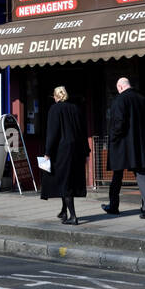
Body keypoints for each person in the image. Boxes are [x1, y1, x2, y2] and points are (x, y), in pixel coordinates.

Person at [102, 77, 145, 219]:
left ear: (120, 87)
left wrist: (113, 137)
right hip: (137, 144)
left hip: (121, 144)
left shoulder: (119, 100)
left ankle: (113, 205)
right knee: (141, 174)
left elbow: (118, 122)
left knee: (117, 174)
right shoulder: (141, 99)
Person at [43, 86, 88, 224]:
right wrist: (86, 150)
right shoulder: (75, 108)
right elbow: (82, 130)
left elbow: (53, 132)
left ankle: (73, 216)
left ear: (56, 97)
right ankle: (64, 211)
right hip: (76, 150)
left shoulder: (54, 109)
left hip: (61, 150)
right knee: (68, 179)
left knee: (64, 182)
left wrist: (48, 152)